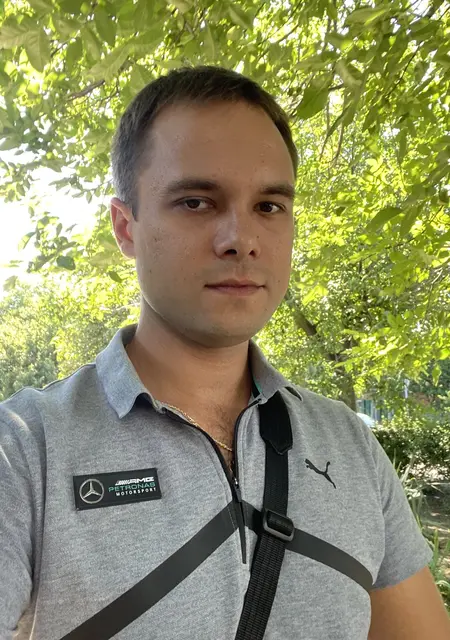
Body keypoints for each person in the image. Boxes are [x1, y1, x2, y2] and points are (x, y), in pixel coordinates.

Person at [0, 65, 449, 640]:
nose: (242, 239)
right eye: (196, 202)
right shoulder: (25, 452)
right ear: (126, 227)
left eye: (269, 206)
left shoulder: (350, 445)